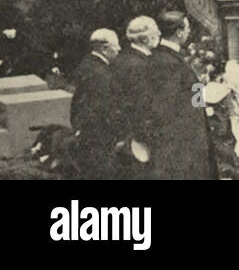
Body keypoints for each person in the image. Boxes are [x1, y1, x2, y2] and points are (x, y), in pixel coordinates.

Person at [144, 11, 217, 179]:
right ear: (178, 32)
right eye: (187, 28)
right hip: (182, 144)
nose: (189, 32)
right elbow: (168, 106)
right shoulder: (167, 62)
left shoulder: (168, 57)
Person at [108, 16, 157, 179]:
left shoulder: (122, 59)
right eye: (155, 31)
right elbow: (141, 104)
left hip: (121, 132)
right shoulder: (141, 65)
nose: (159, 34)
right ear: (145, 38)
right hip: (137, 137)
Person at [70, 28, 120, 179]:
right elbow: (103, 108)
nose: (119, 49)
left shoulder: (86, 65)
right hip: (99, 137)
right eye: (116, 45)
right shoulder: (101, 74)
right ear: (104, 49)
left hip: (85, 132)